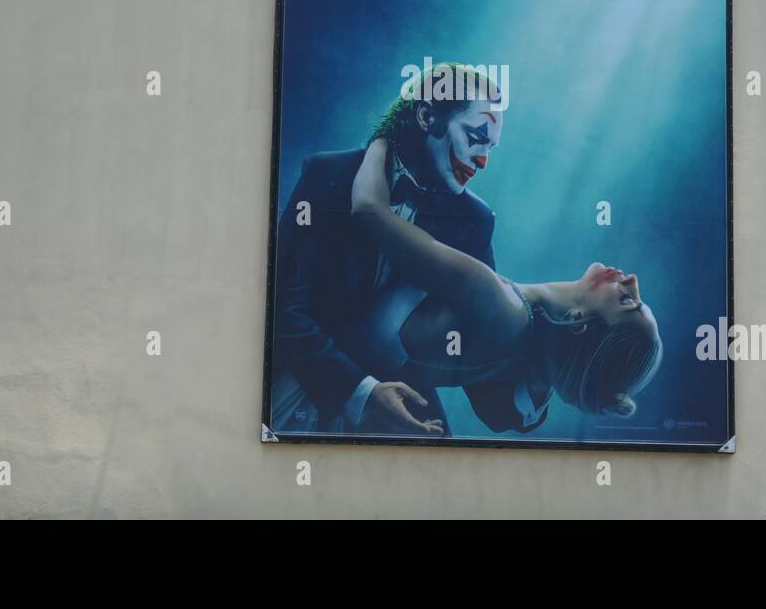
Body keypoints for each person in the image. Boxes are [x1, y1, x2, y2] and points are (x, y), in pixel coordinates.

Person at [268, 63, 552, 437]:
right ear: (426, 116)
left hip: (407, 413)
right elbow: (284, 311)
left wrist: (544, 375)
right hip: (300, 395)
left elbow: (480, 367)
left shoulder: (474, 221)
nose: (483, 161)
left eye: (490, 147)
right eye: (475, 137)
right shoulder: (328, 176)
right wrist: (363, 394)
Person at [342, 137, 663, 422]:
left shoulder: (500, 306)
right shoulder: (521, 357)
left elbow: (368, 209)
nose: (632, 280)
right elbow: (513, 411)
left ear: (579, 322)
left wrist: (385, 139)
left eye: (627, 301)